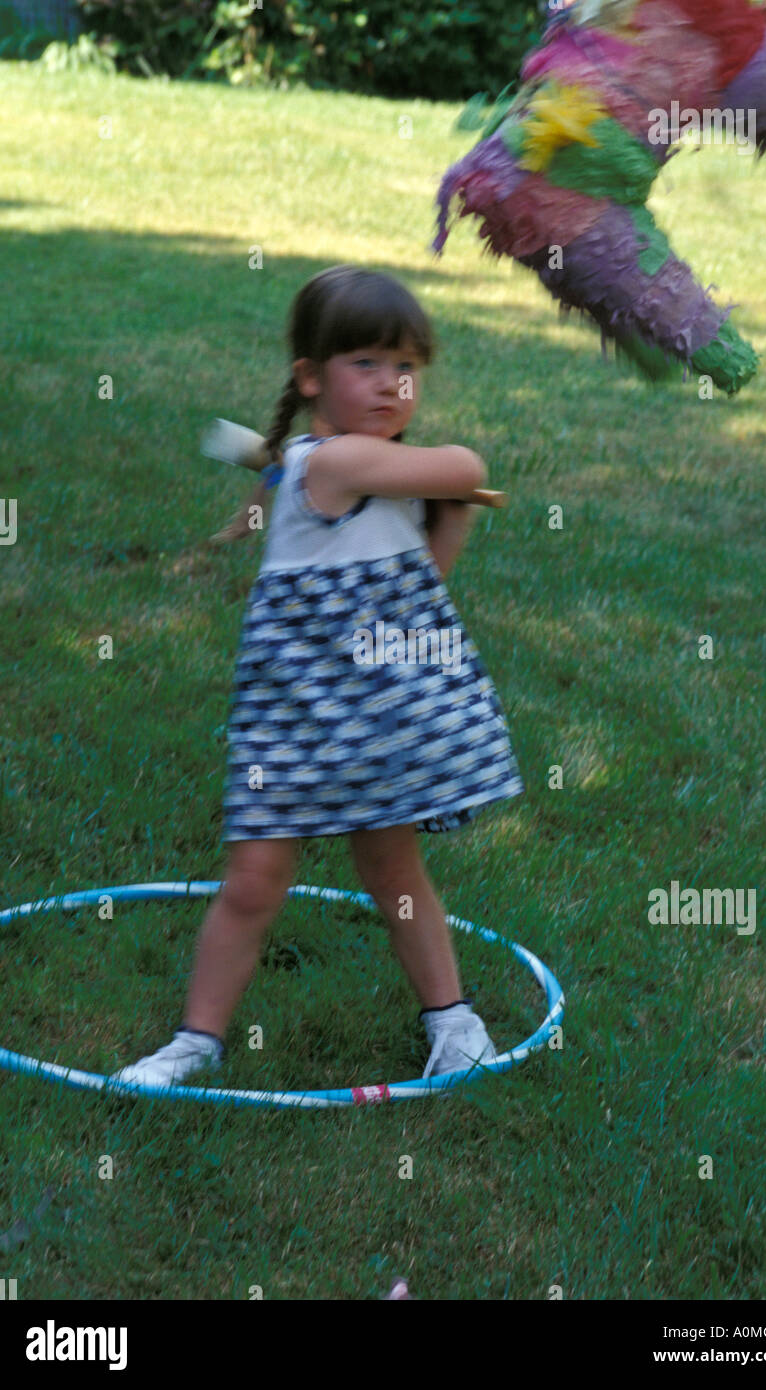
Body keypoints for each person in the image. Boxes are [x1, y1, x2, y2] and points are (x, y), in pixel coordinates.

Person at [111, 264, 523, 1092]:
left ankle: (453, 1022)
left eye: (405, 367)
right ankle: (196, 1043)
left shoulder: (376, 469)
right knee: (254, 882)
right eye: (365, 363)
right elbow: (465, 460)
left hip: (381, 718)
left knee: (395, 871)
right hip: (295, 720)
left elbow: (424, 592)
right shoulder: (325, 467)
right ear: (310, 378)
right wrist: (455, 487)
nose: (390, 384)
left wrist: (450, 516)